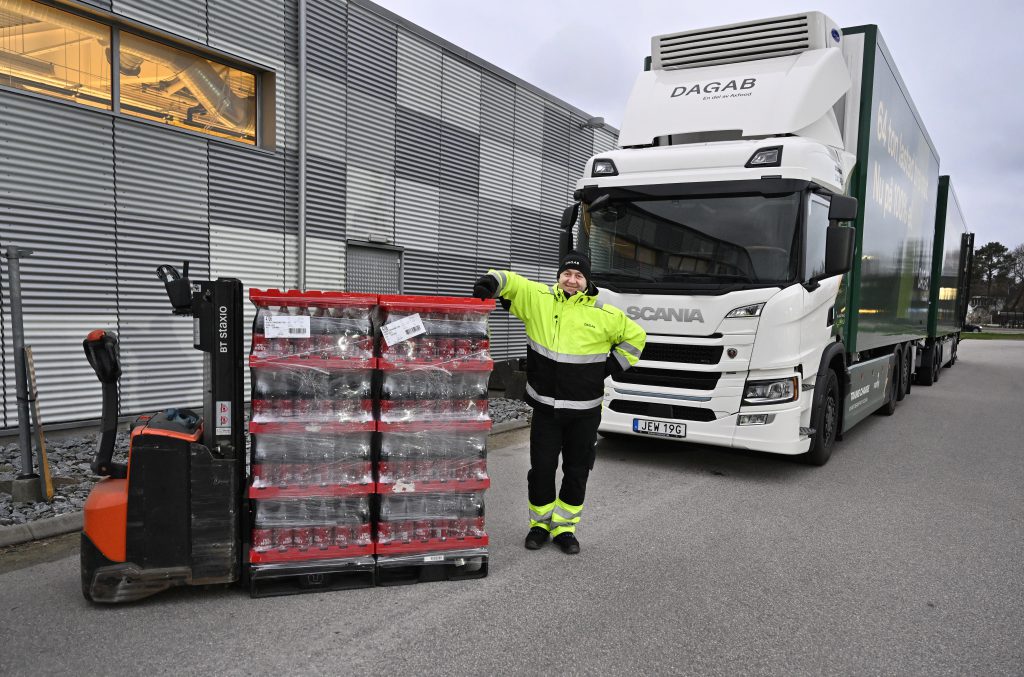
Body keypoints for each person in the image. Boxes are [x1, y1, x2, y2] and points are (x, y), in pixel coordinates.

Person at [472, 251, 646, 554]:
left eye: (579, 276)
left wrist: (609, 367)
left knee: (577, 470)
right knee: (541, 468)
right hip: (546, 409)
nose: (572, 280)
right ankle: (539, 525)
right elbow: (509, 282)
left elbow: (636, 337)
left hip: (585, 412)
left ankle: (565, 528)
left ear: (587, 280)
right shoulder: (538, 299)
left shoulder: (606, 313)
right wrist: (490, 282)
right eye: (568, 274)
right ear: (559, 275)